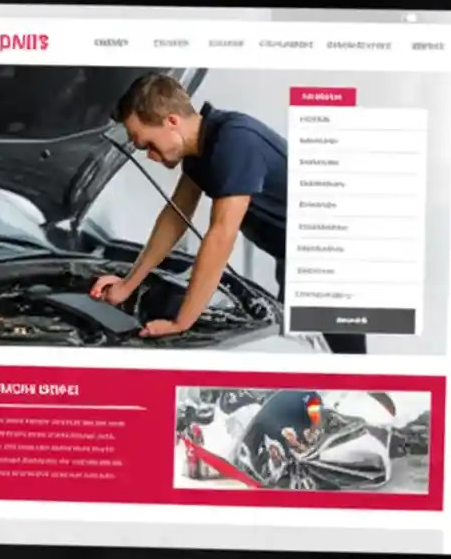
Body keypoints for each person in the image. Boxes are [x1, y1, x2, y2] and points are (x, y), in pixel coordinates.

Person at [88, 72, 367, 354]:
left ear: (171, 121)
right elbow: (173, 220)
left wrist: (182, 322)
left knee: (351, 370)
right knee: (298, 354)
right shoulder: (201, 152)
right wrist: (127, 284)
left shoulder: (235, 141)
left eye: (146, 143)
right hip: (295, 260)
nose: (149, 154)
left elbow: (221, 236)